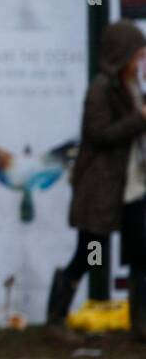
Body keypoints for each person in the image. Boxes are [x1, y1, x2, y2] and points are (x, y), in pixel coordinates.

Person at [48, 20, 146, 340]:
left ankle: (140, 323)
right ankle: (56, 317)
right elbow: (98, 134)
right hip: (100, 188)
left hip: (130, 186)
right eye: (136, 54)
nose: (140, 60)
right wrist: (138, 120)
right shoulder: (102, 90)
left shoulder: (129, 85)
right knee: (91, 252)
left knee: (139, 252)